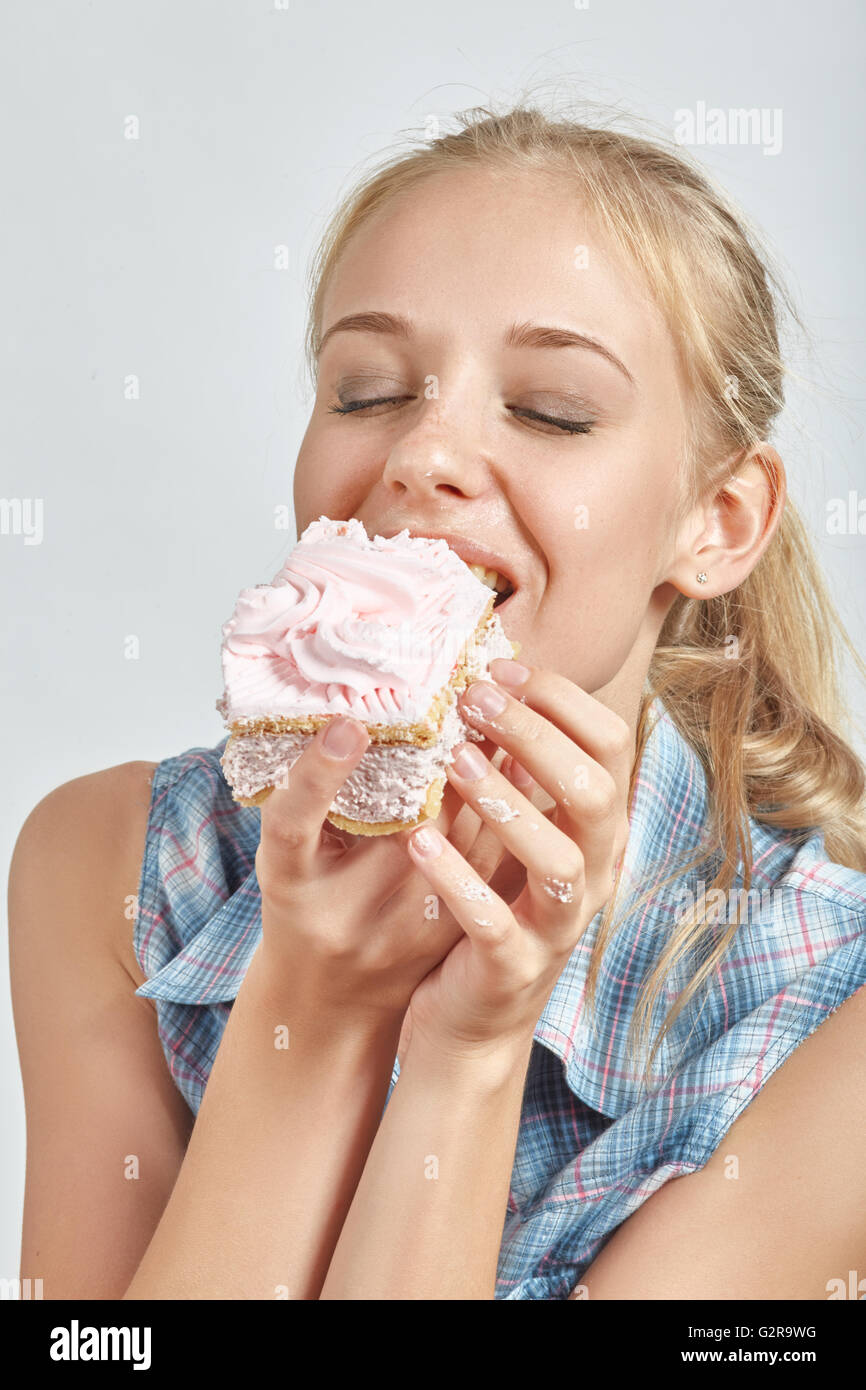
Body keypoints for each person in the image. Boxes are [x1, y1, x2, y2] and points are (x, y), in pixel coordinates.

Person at [10, 102, 866, 1301]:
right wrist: (313, 1008)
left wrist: (470, 1056)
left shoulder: (825, 1012)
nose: (422, 452)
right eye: (365, 392)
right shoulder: (107, 865)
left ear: (714, 522)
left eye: (550, 409)